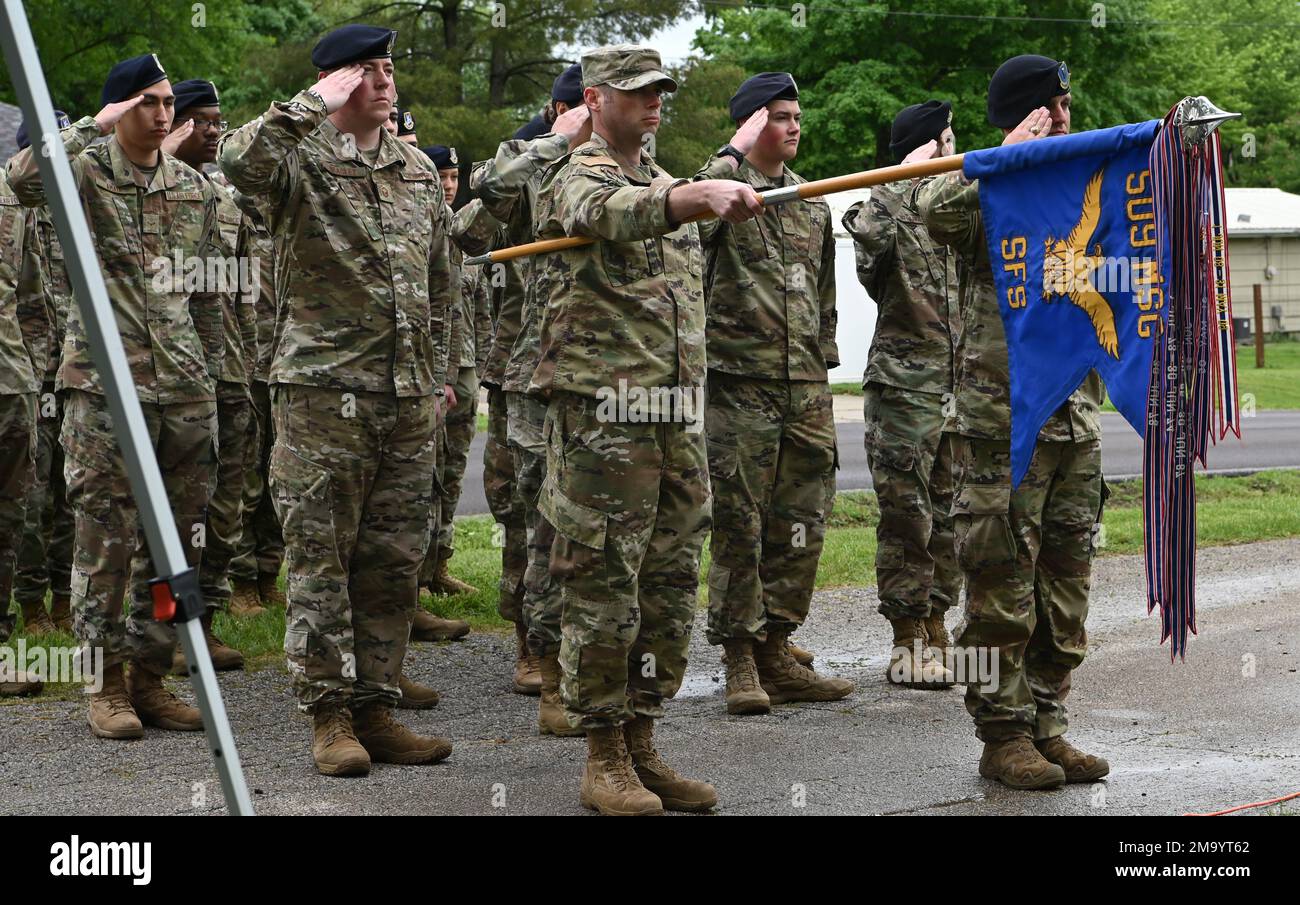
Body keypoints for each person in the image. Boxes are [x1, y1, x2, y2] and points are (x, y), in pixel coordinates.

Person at [530, 43, 764, 814]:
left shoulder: (665, 181)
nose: (652, 102)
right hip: (607, 416)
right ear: (595, 99)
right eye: (635, 92)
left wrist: (691, 194)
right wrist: (694, 198)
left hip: (675, 412)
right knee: (603, 582)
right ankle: (602, 755)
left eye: (659, 90)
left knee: (666, 586)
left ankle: (642, 736)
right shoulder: (579, 172)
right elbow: (606, 214)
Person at [219, 24, 457, 776]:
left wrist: (443, 369)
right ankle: (327, 716)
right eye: (368, 70)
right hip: (323, 394)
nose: (385, 81)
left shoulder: (417, 170)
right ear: (335, 83)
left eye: (389, 68)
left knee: (391, 560)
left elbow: (443, 279)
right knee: (321, 558)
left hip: (409, 397)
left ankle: (376, 705)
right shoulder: (297, 161)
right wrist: (311, 104)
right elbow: (238, 160)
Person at [8, 54, 221, 739]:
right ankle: (104, 686)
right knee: (106, 544)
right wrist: (90, 128)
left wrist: (212, 376)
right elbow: (22, 177)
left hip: (183, 394)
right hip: (101, 390)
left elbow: (208, 295)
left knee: (175, 552)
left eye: (167, 103)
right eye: (147, 104)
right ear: (118, 111)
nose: (163, 115)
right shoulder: (82, 175)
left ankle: (152, 677)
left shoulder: (195, 189)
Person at [918, 54, 1110, 790]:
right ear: (1024, 113)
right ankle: (1001, 734)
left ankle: (1048, 721)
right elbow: (934, 211)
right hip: (1002, 425)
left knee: (1067, 586)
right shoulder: (986, 187)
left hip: (1073, 423)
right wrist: (1006, 153)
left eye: (1066, 106)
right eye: (1052, 107)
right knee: (1000, 588)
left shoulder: (1077, 182)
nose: (1065, 118)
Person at [694, 72, 852, 715]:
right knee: (740, 523)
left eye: (796, 115)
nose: (793, 126)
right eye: (780, 116)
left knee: (801, 521)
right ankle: (737, 656)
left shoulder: (810, 200)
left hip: (805, 385)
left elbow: (824, 295)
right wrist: (730, 158)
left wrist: (825, 361)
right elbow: (682, 230)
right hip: (739, 383)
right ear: (752, 123)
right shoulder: (719, 192)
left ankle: (777, 646)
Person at [843, 99, 961, 688]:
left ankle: (938, 621)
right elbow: (868, 255)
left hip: (958, 387)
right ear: (927, 145)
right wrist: (901, 179)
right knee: (906, 517)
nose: (955, 148)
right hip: (904, 388)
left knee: (951, 515)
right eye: (948, 139)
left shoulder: (954, 211)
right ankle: (907, 637)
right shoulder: (878, 210)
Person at [163, 78, 254, 673]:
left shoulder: (229, 193)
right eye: (199, 119)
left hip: (231, 367)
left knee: (224, 507)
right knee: (177, 514)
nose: (213, 130)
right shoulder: (153, 188)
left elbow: (241, 282)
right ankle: (167, 631)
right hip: (172, 371)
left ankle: (206, 620)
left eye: (218, 120)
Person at [10, 109, 75, 637]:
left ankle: (65, 600)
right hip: (28, 375)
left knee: (72, 492)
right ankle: (30, 604)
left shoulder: (81, 210)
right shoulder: (17, 210)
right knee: (32, 498)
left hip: (71, 373)